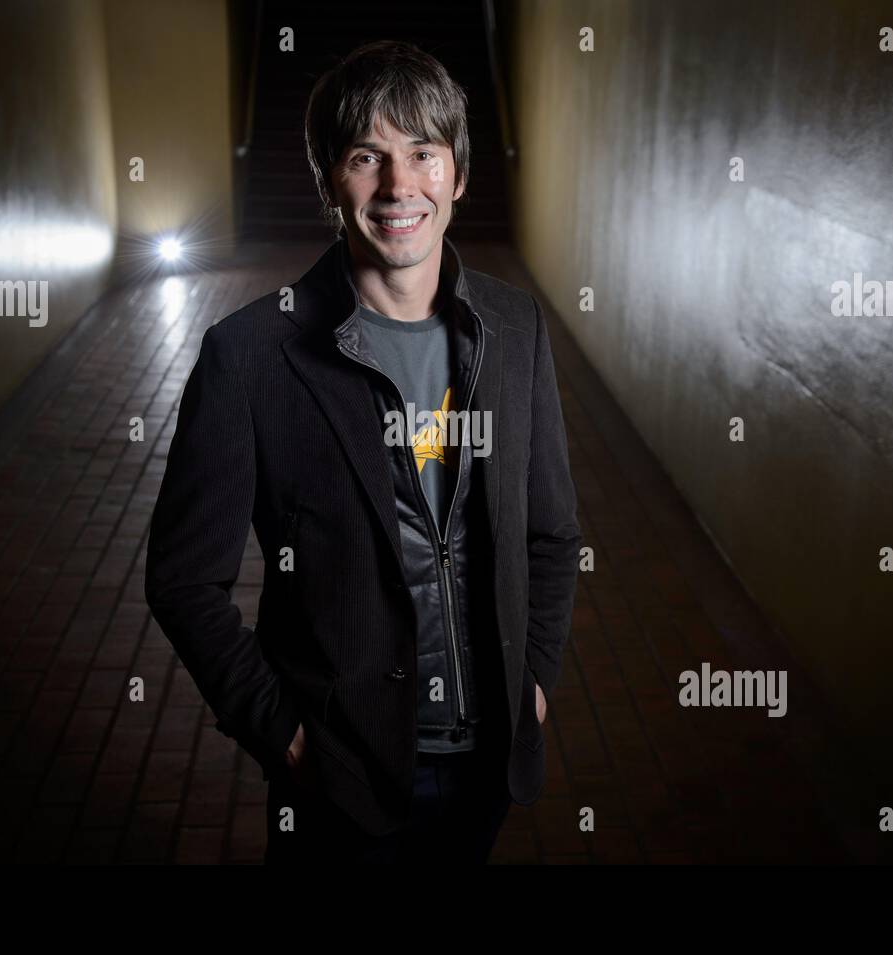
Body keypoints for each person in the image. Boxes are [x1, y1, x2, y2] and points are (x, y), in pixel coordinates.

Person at [145, 39, 581, 863]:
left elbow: (551, 535)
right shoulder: (249, 355)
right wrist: (285, 735)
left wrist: (537, 683)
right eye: (365, 157)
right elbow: (182, 579)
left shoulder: (515, 328)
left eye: (424, 153)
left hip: (489, 760)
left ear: (457, 174)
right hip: (343, 780)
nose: (399, 186)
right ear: (327, 181)